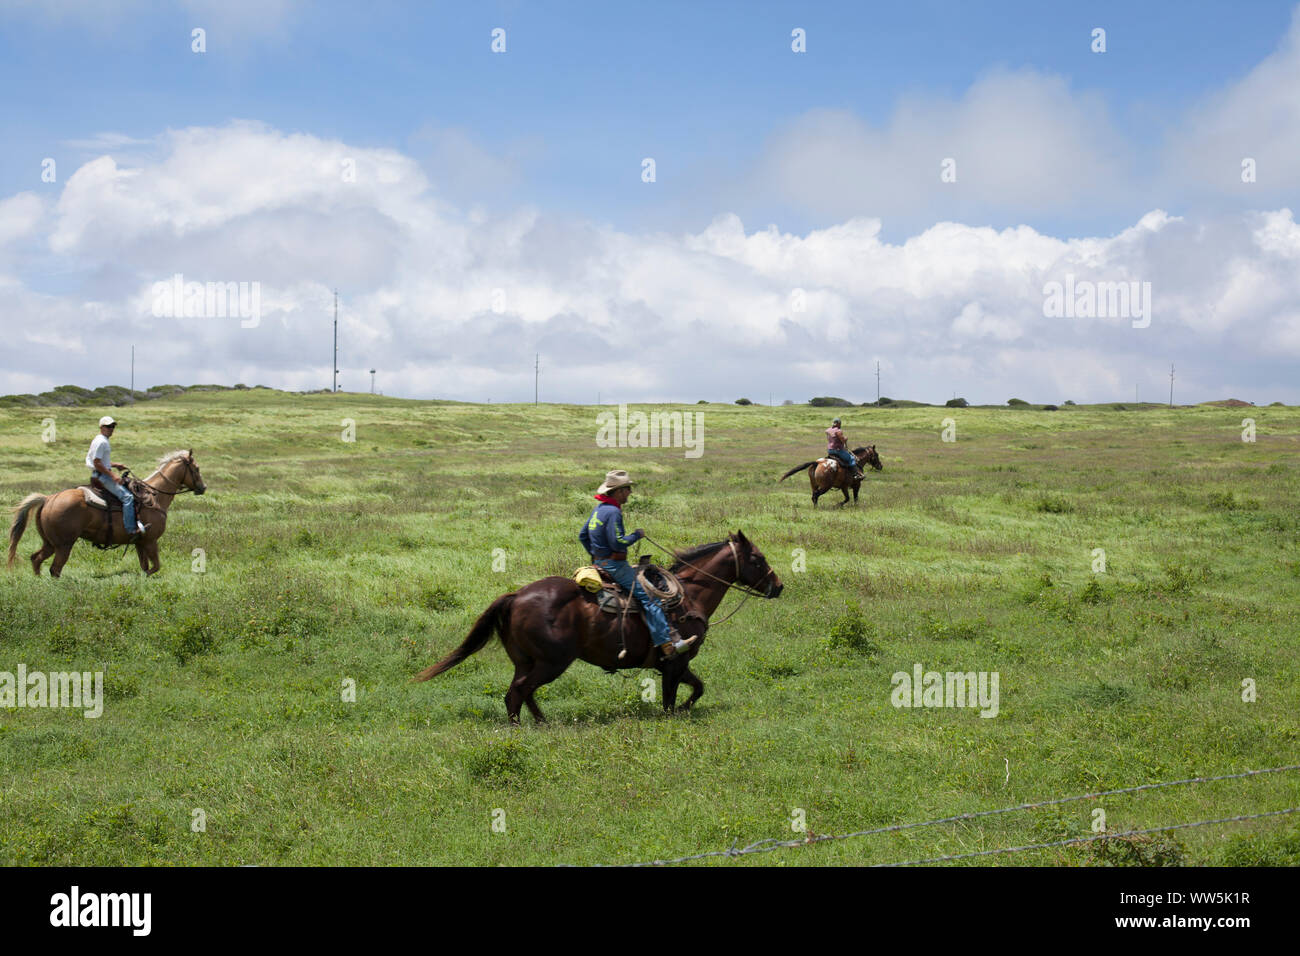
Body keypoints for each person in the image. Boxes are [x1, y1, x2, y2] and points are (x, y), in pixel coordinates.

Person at [579, 470, 695, 658]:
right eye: (627, 489)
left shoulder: (598, 509)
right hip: (615, 565)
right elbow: (618, 542)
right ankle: (666, 643)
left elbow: (583, 536)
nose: (630, 493)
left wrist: (596, 556)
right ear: (618, 491)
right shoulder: (614, 512)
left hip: (600, 563)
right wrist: (636, 535)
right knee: (651, 598)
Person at [86, 415, 146, 539]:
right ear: (101, 427)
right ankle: (131, 530)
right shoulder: (102, 442)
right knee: (128, 497)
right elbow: (97, 463)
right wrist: (113, 476)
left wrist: (114, 465)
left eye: (113, 426)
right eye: (108, 426)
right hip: (102, 476)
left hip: (100, 473)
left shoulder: (100, 439)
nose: (111, 429)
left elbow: (99, 460)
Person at [825, 417, 865, 481]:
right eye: (840, 423)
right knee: (851, 458)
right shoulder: (838, 431)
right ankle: (856, 474)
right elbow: (842, 440)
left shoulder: (828, 430)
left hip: (830, 450)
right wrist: (845, 438)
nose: (840, 425)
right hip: (838, 450)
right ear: (838, 424)